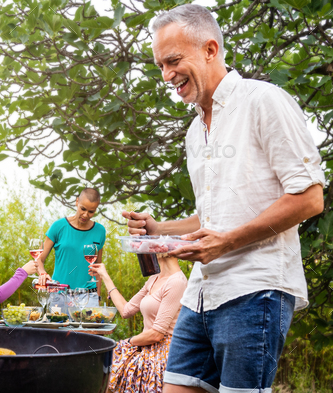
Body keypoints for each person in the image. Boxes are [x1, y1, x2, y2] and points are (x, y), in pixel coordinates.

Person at [124, 4, 325, 393]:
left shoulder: (263, 100)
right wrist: (159, 228)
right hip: (201, 292)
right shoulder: (194, 131)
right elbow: (211, 217)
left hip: (255, 288)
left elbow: (309, 199)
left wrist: (228, 242)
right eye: (160, 66)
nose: (166, 75)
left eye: (173, 61)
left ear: (210, 50)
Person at [90, 256, 187, 393]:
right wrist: (104, 275)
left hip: (162, 351)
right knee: (103, 366)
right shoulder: (154, 278)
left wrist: (127, 342)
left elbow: (156, 334)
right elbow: (126, 310)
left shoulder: (177, 282)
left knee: (111, 365)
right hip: (144, 344)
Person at [35, 188, 106, 314]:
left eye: (91, 211)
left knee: (88, 333)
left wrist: (97, 298)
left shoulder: (100, 231)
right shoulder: (58, 227)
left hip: (88, 297)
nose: (85, 215)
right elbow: (39, 258)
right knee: (58, 333)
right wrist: (42, 273)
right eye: (83, 209)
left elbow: (98, 269)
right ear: (77, 201)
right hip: (59, 295)